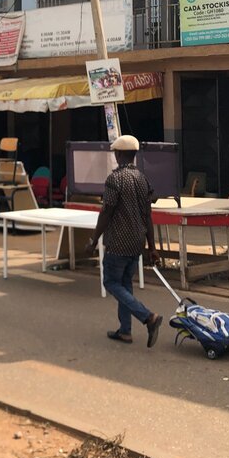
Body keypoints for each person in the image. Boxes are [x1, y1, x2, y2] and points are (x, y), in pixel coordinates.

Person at [87, 134, 163, 347]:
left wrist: (93, 240)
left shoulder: (115, 179)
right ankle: (125, 331)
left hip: (118, 243)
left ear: (118, 154)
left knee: (111, 282)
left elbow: (106, 212)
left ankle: (148, 317)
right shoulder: (142, 179)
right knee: (125, 285)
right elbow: (147, 215)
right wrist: (152, 247)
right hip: (137, 242)